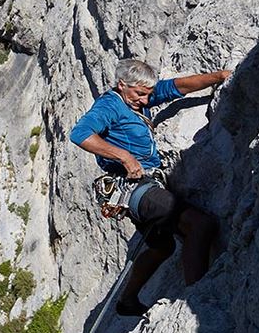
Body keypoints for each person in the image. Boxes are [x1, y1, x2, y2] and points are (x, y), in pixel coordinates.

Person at [68, 58, 230, 316]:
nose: (145, 100)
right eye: (140, 94)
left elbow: (179, 87)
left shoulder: (136, 102)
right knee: (200, 225)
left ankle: (127, 301)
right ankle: (196, 301)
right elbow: (80, 134)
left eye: (148, 95)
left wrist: (220, 76)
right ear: (122, 85)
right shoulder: (110, 105)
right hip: (138, 189)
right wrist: (124, 156)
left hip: (139, 191)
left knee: (162, 247)